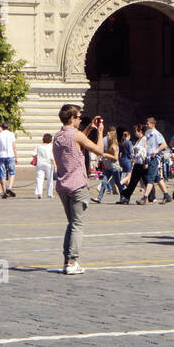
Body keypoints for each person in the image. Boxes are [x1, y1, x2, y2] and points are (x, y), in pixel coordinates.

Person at [52, 105, 106, 275]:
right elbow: (99, 151)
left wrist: (90, 127)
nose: (80, 120)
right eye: (79, 117)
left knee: (71, 223)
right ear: (73, 118)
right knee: (77, 225)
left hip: (63, 185)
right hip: (77, 185)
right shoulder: (76, 135)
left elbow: (78, 139)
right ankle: (72, 261)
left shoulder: (58, 136)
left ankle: (67, 260)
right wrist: (100, 132)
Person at [136, 116, 171, 205]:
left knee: (150, 178)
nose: (146, 125)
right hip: (148, 158)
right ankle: (167, 195)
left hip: (154, 158)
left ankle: (145, 197)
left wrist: (156, 151)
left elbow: (164, 144)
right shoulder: (147, 133)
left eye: (147, 123)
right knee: (157, 178)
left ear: (152, 124)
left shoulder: (156, 134)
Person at [92, 127, 123, 203]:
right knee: (104, 182)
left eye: (108, 136)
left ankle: (123, 197)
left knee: (118, 183)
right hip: (108, 167)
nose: (107, 137)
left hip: (114, 167)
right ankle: (99, 198)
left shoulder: (114, 146)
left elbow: (115, 157)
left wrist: (106, 155)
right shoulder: (109, 144)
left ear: (111, 137)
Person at [120, 124, 148, 204]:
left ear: (140, 131)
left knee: (143, 181)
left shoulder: (144, 139)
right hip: (137, 162)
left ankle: (127, 195)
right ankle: (127, 196)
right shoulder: (138, 140)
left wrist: (145, 162)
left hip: (142, 163)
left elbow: (145, 151)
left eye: (136, 131)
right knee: (135, 181)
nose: (134, 132)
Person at [0, 122, 18, 198]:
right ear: (8, 127)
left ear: (2, 127)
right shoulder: (11, 134)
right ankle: (10, 187)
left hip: (2, 155)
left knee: (2, 173)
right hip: (10, 155)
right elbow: (13, 146)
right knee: (12, 172)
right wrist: (16, 156)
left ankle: (4, 190)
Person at [34, 134, 55, 199]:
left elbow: (33, 154)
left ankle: (39, 193)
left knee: (39, 179)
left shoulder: (38, 146)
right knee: (49, 179)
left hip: (39, 164)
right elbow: (52, 157)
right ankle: (49, 194)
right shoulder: (50, 146)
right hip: (48, 164)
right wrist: (55, 165)